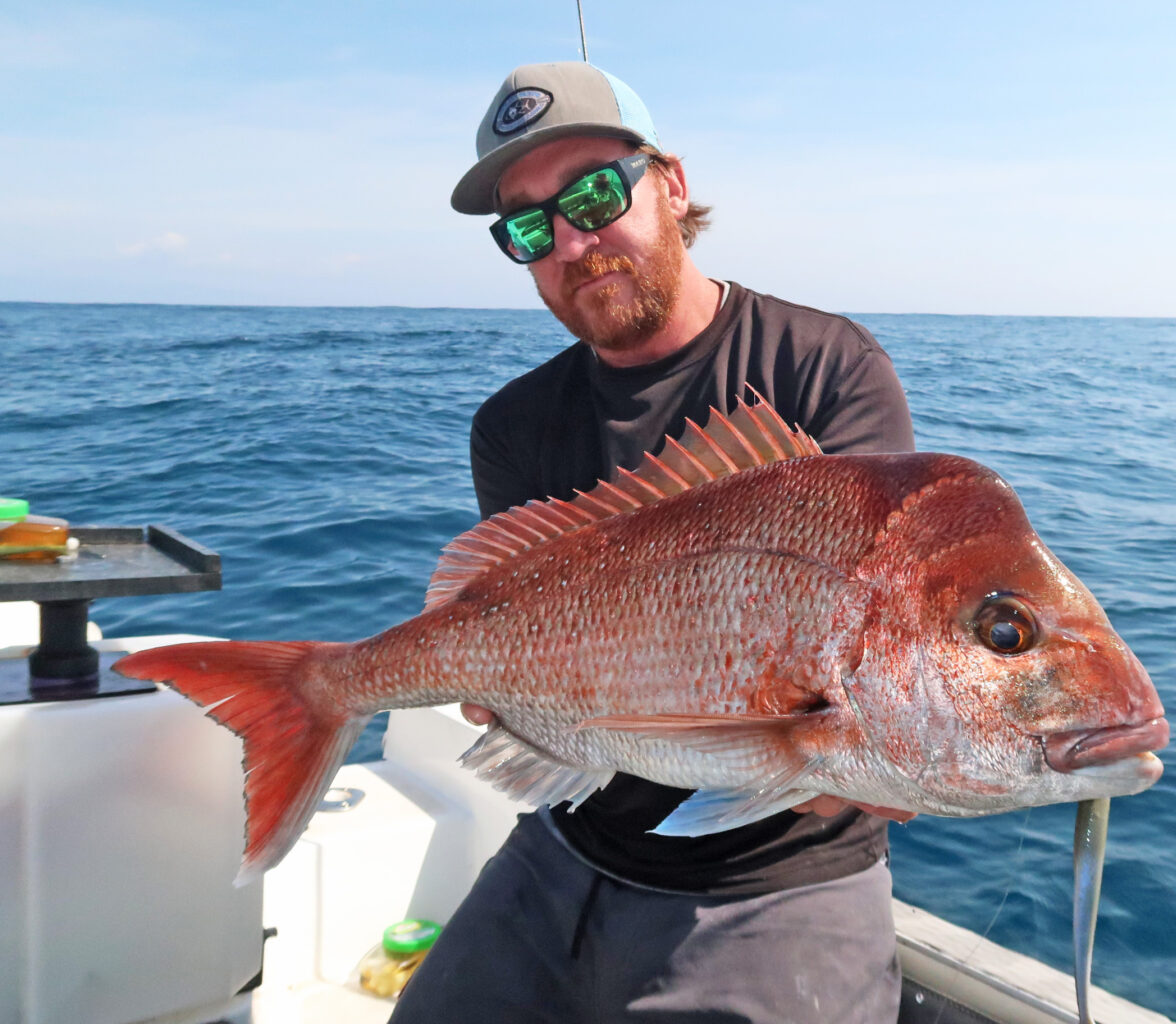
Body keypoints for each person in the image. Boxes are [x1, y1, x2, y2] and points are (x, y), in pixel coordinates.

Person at [390, 62, 916, 1024]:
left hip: (779, 871)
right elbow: (504, 652)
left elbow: (882, 637)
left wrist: (878, 750)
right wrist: (502, 697)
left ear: (670, 183)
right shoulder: (511, 426)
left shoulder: (823, 369)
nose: (573, 241)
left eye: (594, 193)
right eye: (528, 226)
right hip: (569, 839)